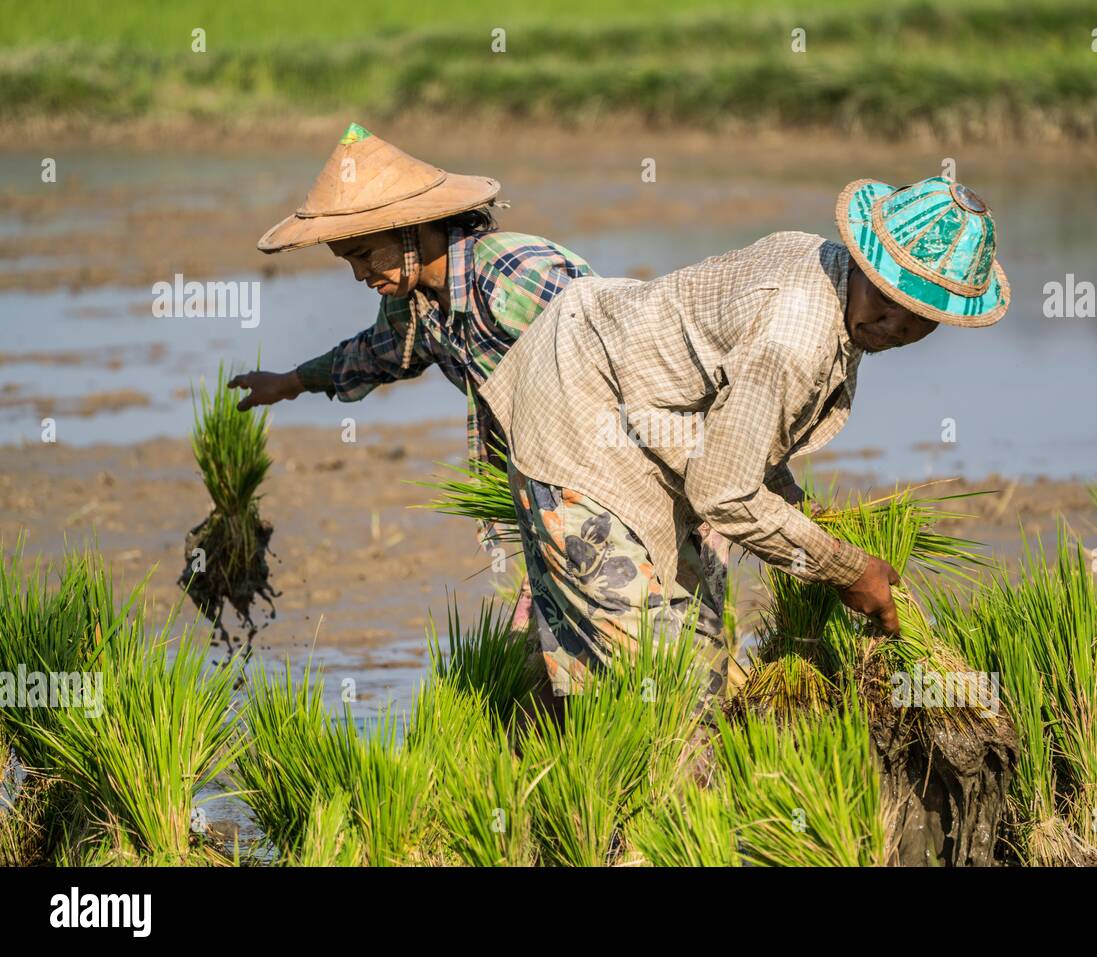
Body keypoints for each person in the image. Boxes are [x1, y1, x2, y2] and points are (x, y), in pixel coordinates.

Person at [479, 176, 1011, 709]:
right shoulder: (796, 336)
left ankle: (569, 746)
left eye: (920, 317)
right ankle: (596, 768)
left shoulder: (831, 275)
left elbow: (743, 429)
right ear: (864, 261)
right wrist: (848, 569)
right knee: (664, 682)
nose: (893, 323)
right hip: (580, 405)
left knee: (698, 660)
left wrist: (800, 513)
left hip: (643, 412)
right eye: (887, 295)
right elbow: (725, 494)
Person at [230, 123, 594, 623]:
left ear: (413, 227)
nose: (359, 274)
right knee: (555, 650)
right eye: (347, 261)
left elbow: (618, 361)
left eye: (362, 254)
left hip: (606, 476)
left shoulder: (511, 273)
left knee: (634, 639)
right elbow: (372, 356)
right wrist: (287, 384)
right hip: (550, 490)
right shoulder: (419, 305)